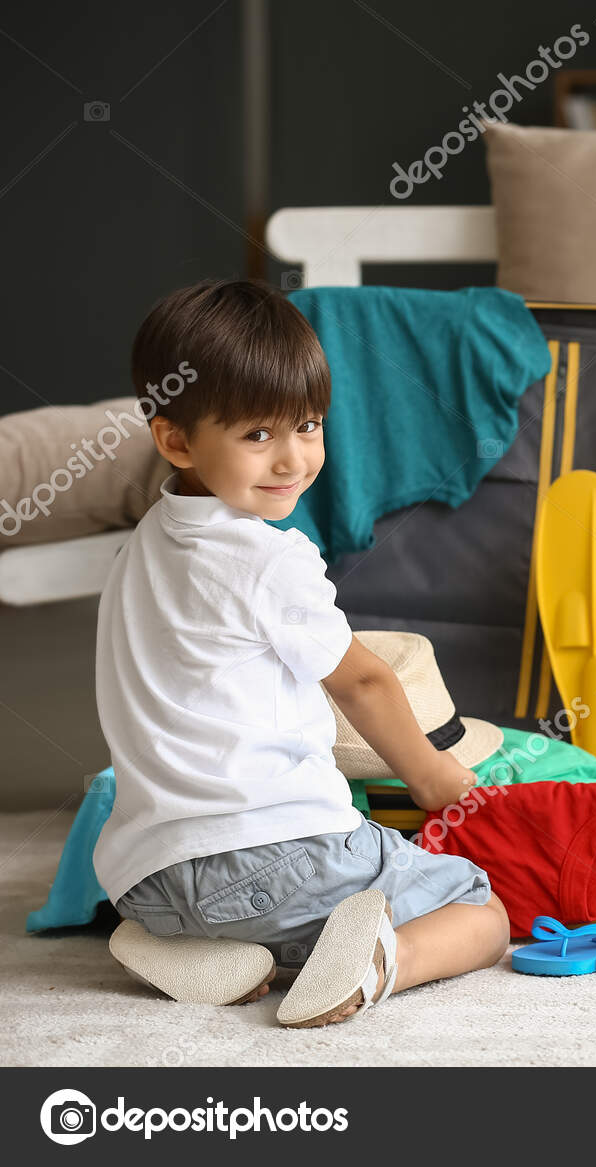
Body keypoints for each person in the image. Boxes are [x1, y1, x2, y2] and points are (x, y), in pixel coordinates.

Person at [94, 279, 509, 1028]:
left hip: (144, 873)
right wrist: (433, 774)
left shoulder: (141, 549)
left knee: (288, 910)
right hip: (277, 853)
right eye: (258, 435)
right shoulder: (268, 558)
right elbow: (365, 682)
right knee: (479, 908)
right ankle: (382, 960)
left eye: (308, 425)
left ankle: (191, 941)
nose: (293, 458)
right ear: (177, 439)